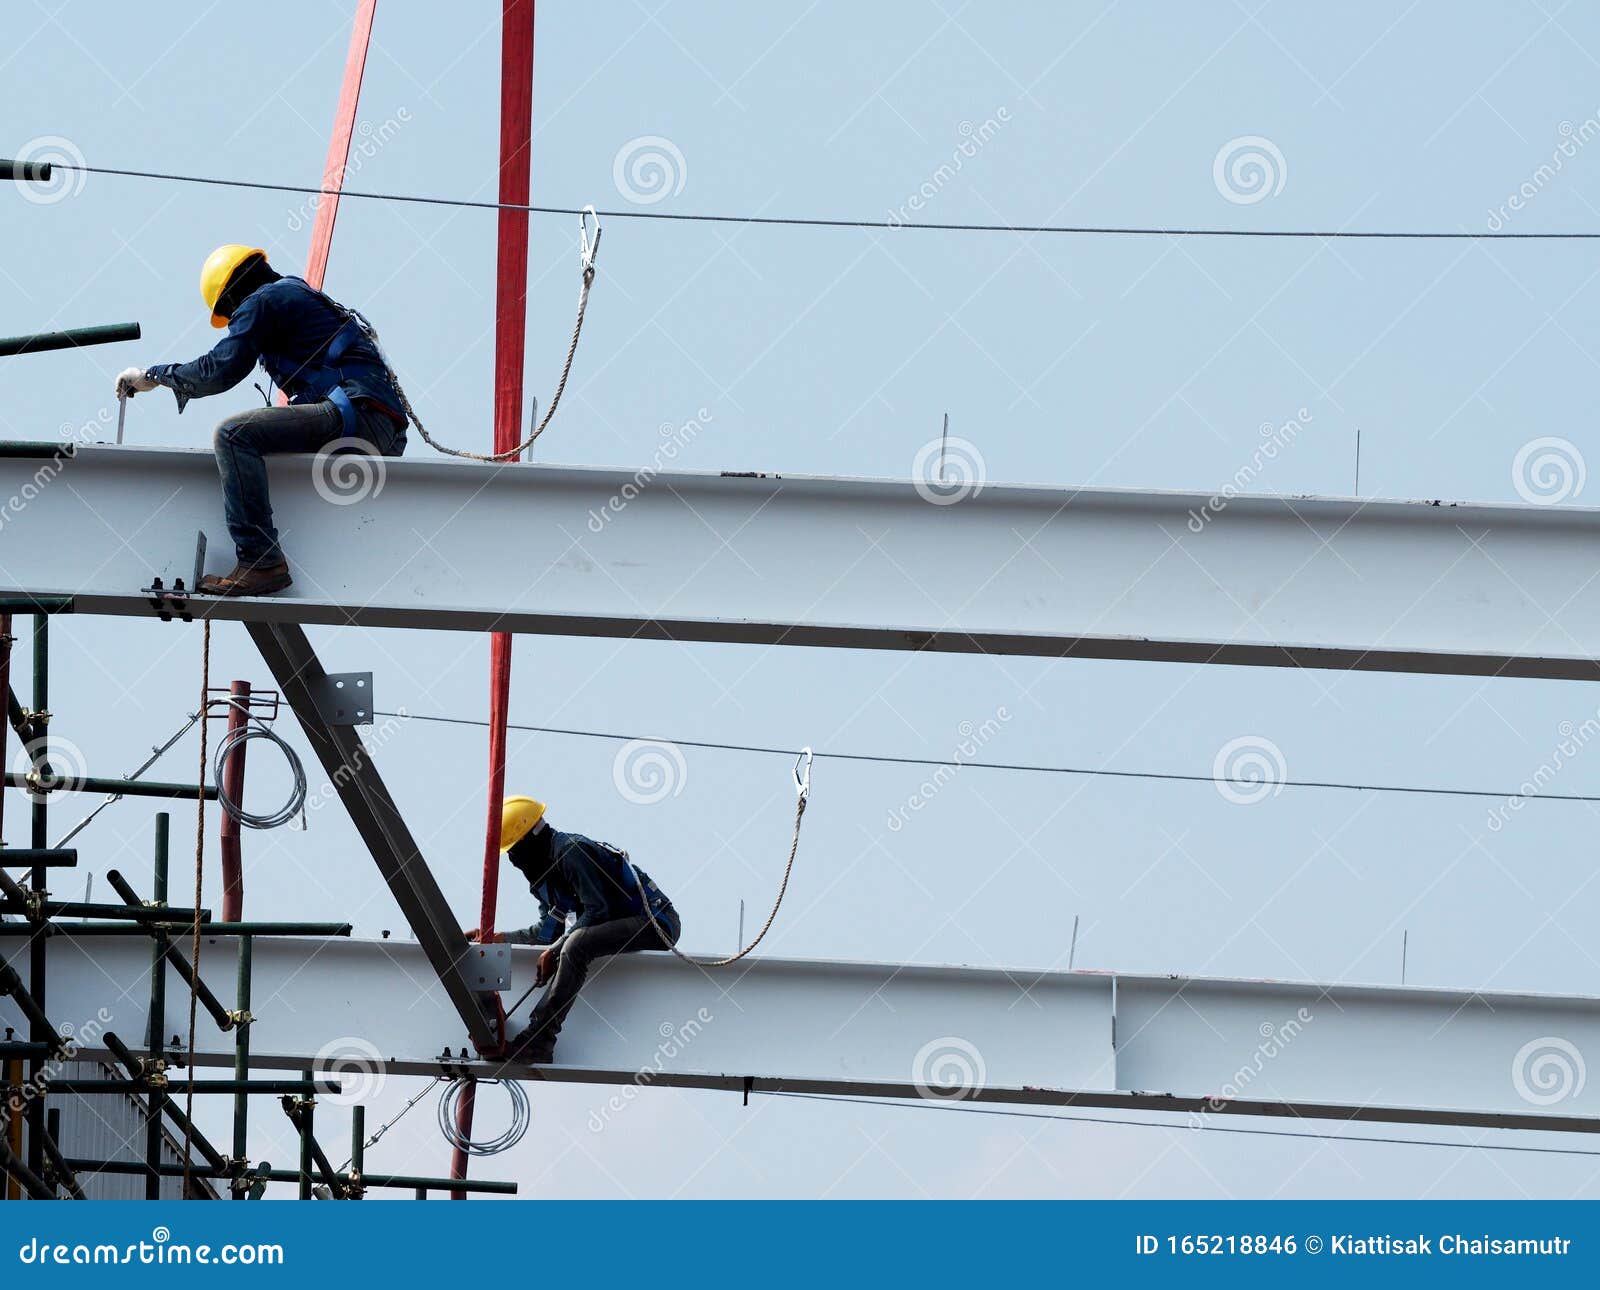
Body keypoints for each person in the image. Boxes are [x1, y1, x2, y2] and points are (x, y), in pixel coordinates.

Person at [115, 244, 408, 596]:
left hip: (355, 413)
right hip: (383, 428)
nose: (235, 320)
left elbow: (219, 370)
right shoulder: (294, 293)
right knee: (267, 442)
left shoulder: (262, 301)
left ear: (232, 294)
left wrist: (155, 375)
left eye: (230, 313)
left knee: (233, 435)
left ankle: (260, 561)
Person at [468, 795, 681, 1065]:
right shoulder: (544, 876)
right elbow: (546, 933)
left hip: (655, 923)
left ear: (530, 840)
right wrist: (498, 938)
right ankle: (537, 1039)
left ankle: (539, 1041)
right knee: (573, 943)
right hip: (621, 924)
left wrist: (556, 950)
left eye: (514, 850)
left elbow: (598, 910)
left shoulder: (571, 852)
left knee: (576, 945)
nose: (513, 860)